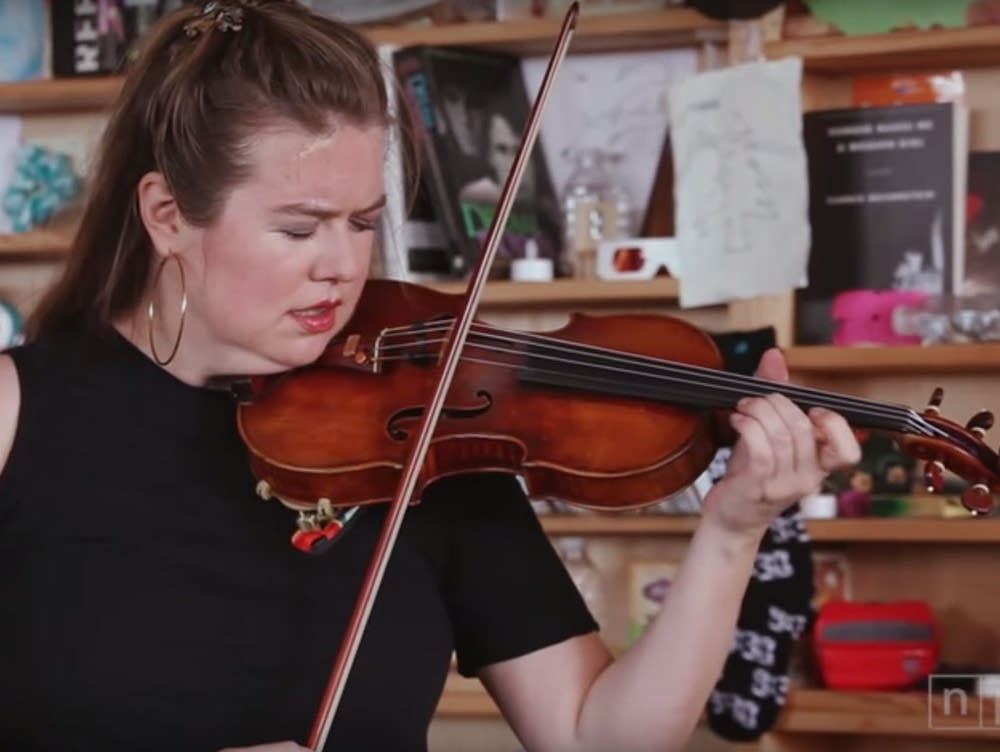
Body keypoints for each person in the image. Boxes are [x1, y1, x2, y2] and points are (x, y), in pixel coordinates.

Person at [0, 2, 861, 751]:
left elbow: (596, 733)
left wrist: (733, 532)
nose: (339, 266)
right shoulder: (16, 415)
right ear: (166, 214)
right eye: (299, 229)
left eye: (364, 222)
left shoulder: (421, 425)